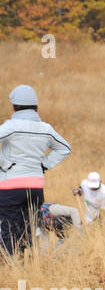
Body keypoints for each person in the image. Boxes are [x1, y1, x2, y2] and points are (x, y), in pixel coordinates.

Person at [0, 85, 71, 257]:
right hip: (35, 187)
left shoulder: (11, 126)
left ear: (14, 106)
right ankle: (28, 266)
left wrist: (4, 164)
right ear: (36, 107)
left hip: (11, 186)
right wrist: (43, 165)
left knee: (9, 229)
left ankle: (12, 269)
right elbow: (64, 148)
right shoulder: (45, 129)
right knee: (29, 228)